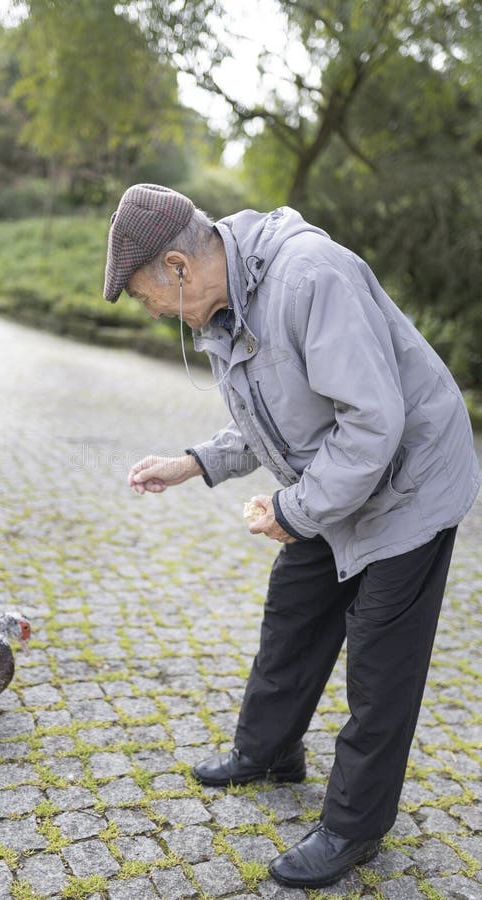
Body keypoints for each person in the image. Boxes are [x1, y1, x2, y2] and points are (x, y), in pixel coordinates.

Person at [102, 183, 481, 889]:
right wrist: (192, 463)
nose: (155, 314)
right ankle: (269, 752)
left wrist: (294, 511)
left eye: (147, 296)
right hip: (331, 479)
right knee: (294, 615)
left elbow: (373, 424)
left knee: (379, 665)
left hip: (408, 483)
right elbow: (268, 418)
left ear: (178, 266)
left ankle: (354, 826)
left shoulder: (309, 277)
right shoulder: (223, 312)